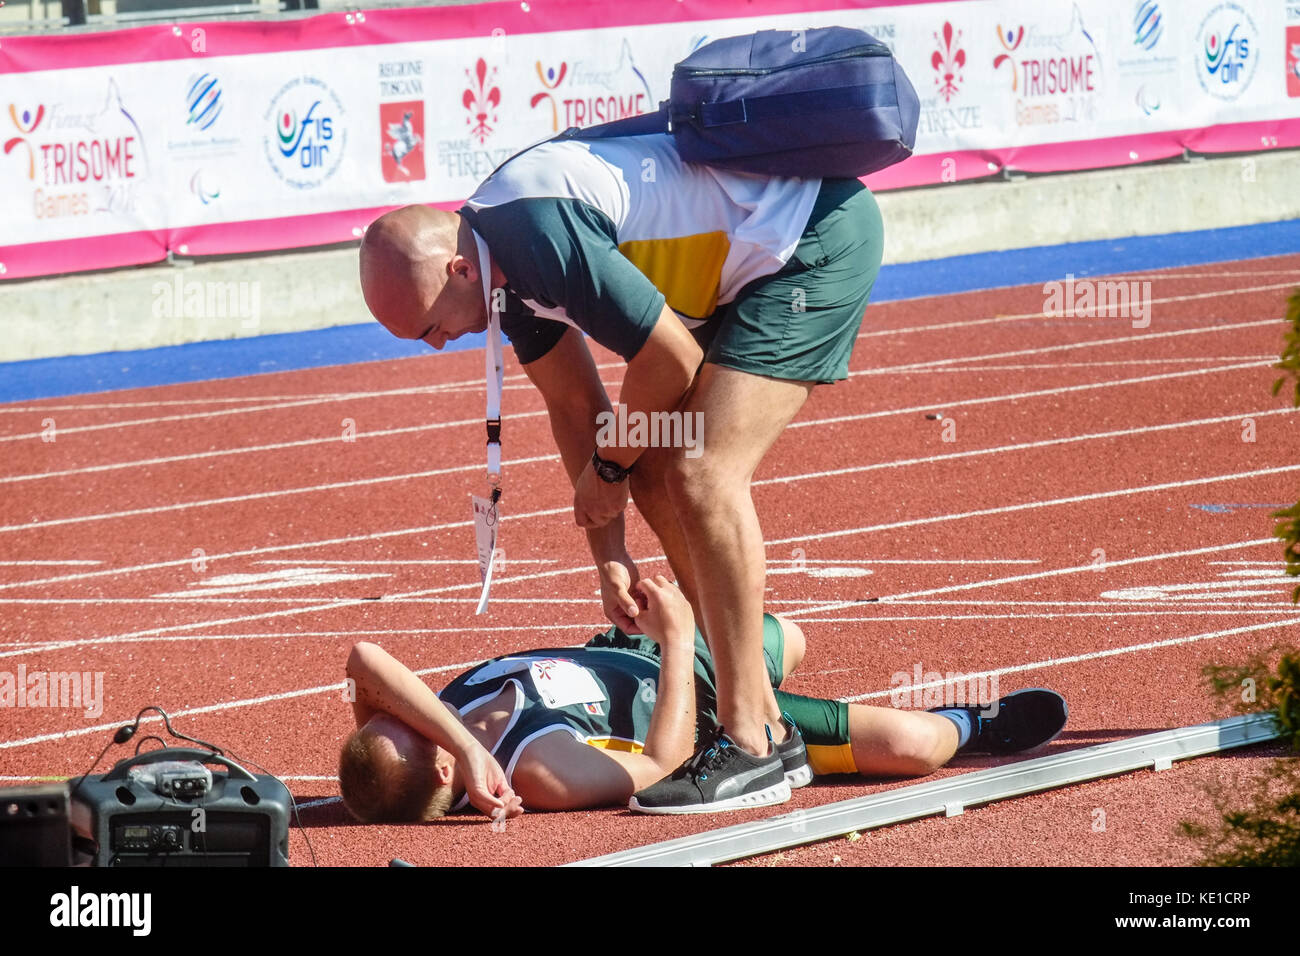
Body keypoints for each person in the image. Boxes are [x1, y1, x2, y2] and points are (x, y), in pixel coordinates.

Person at [358, 121, 887, 812]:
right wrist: (609, 554)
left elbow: (669, 357)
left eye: (429, 326)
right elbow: (576, 404)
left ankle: (753, 744)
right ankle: (759, 716)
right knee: (653, 463)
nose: (435, 346)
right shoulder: (498, 269)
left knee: (700, 472)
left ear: (459, 270)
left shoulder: (534, 236)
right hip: (746, 268)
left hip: (809, 243)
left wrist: (607, 469)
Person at [338, 577, 1067, 821]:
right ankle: (975, 722)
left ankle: (756, 663)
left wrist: (462, 740)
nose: (437, 717)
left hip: (633, 648)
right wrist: (682, 632)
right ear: (442, 777)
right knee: (912, 748)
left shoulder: (439, 735)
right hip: (707, 707)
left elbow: (365, 658)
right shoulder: (541, 772)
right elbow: (665, 759)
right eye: (431, 733)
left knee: (795, 636)